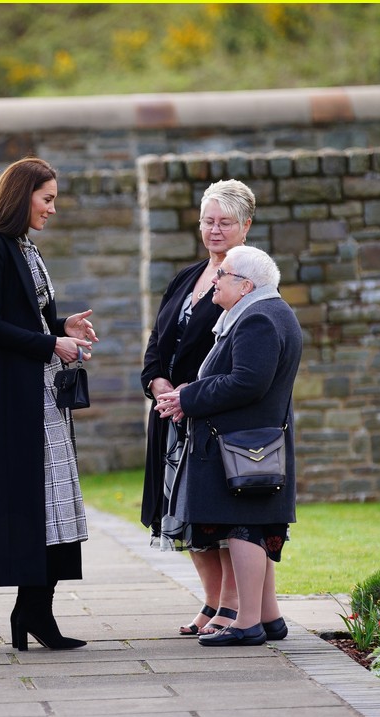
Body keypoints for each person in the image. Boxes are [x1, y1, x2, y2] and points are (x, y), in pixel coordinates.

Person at [0, 157, 98, 651]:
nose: (52, 208)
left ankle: (34, 610)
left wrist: (62, 327)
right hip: (14, 394)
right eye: (47, 198)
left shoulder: (24, 246)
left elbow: (29, 318)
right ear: (22, 196)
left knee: (55, 503)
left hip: (41, 389)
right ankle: (32, 612)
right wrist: (51, 343)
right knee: (36, 501)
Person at [154, 245, 301, 647]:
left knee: (245, 527)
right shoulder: (265, 312)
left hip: (244, 447)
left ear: (246, 285)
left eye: (224, 275)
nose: (215, 279)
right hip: (249, 444)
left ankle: (247, 623)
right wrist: (192, 391)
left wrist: (188, 398)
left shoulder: (258, 318)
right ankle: (269, 618)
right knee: (250, 526)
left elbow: (247, 382)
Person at [141, 180, 255, 637]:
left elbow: (242, 355)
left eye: (225, 222)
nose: (214, 230)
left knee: (217, 512)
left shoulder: (249, 280)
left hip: (213, 417)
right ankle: (211, 600)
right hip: (170, 414)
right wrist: (157, 382)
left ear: (245, 226)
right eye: (208, 220)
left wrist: (193, 393)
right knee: (183, 511)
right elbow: (157, 340)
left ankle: (232, 604)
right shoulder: (185, 278)